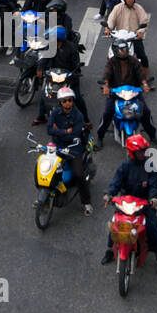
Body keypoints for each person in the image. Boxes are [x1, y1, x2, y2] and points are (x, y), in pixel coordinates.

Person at [100, 134, 157, 271]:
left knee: (153, 225)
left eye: (144, 150)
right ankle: (109, 250)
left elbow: (154, 184)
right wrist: (109, 194)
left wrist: (154, 198)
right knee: (115, 224)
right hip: (126, 203)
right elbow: (116, 182)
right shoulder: (124, 166)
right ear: (132, 152)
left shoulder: (149, 165)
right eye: (140, 151)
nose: (143, 154)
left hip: (144, 203)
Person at [97, 36, 157, 146]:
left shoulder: (133, 61)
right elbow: (107, 74)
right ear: (116, 50)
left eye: (125, 49)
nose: (124, 51)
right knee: (107, 113)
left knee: (146, 112)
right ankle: (100, 137)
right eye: (121, 50)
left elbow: (140, 73)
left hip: (133, 92)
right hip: (115, 93)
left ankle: (153, 136)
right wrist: (106, 86)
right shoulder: (112, 62)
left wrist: (144, 84)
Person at [46, 87, 93, 216]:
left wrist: (59, 132)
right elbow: (49, 129)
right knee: (46, 168)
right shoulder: (55, 113)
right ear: (60, 102)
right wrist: (65, 131)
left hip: (73, 148)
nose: (67, 103)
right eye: (64, 100)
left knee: (79, 174)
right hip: (57, 147)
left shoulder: (78, 115)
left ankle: (87, 202)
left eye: (70, 100)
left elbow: (75, 134)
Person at [34, 26, 88, 125]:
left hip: (69, 76)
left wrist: (73, 74)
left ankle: (86, 119)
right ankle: (41, 116)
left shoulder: (72, 48)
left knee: (78, 97)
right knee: (45, 94)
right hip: (54, 74)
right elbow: (44, 58)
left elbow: (76, 65)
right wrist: (40, 69)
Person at [105, 0, 151, 74]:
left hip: (134, 37)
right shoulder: (117, 8)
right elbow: (111, 20)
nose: (131, 0)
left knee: (142, 57)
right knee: (110, 58)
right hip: (119, 38)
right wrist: (108, 28)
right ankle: (107, 79)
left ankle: (147, 77)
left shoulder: (138, 8)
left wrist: (140, 32)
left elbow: (144, 21)